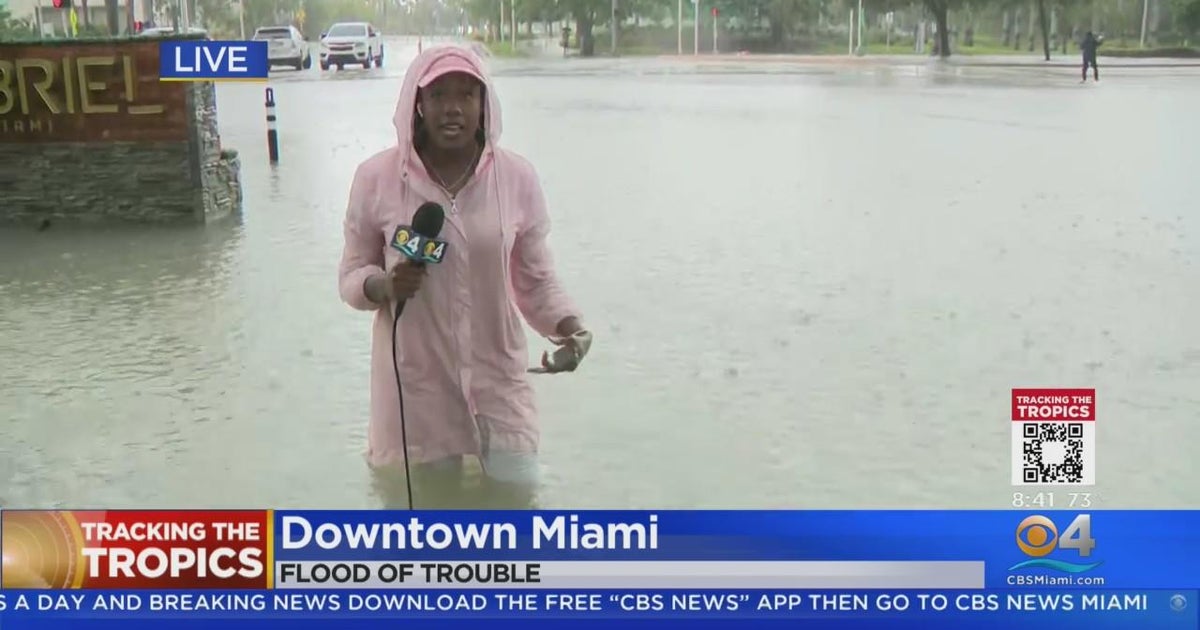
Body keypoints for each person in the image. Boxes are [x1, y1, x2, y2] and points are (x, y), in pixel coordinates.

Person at [337, 45, 592, 509]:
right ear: (418, 104)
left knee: (518, 510)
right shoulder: (376, 179)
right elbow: (353, 274)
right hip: (417, 387)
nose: (452, 107)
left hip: (499, 379)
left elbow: (534, 278)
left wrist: (570, 328)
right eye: (438, 95)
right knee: (431, 533)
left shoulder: (516, 178)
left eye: (466, 95)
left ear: (484, 105)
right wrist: (384, 286)